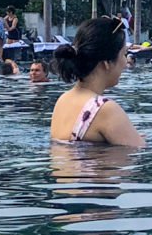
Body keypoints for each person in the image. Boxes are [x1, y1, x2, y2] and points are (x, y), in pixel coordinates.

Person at [50, 16, 145, 146]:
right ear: (106, 63)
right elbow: (135, 154)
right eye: (123, 54)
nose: (124, 62)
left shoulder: (62, 100)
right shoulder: (105, 110)